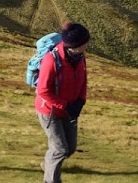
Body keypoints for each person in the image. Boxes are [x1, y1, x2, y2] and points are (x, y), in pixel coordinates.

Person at [36, 22, 90, 183]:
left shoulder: (80, 57)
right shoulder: (51, 61)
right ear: (76, 45)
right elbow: (43, 91)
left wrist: (81, 101)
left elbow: (83, 80)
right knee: (60, 149)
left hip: (70, 110)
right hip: (49, 112)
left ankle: (48, 164)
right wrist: (66, 106)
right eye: (86, 41)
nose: (89, 44)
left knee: (70, 148)